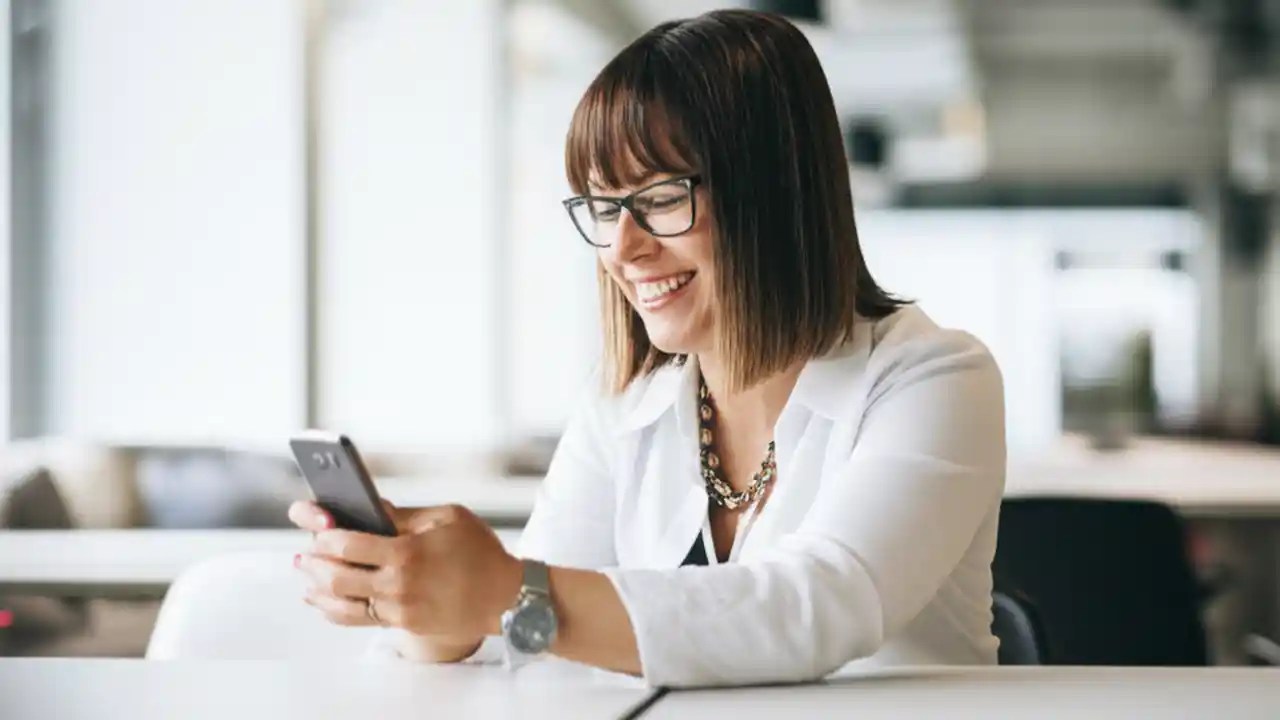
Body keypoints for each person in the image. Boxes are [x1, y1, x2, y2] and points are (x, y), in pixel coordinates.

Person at [289, 9, 1005, 687]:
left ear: (772, 197)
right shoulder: (627, 402)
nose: (622, 249)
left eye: (661, 198)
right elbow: (535, 637)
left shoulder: (937, 380)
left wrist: (504, 589)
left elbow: (816, 605)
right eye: (604, 207)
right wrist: (429, 607)